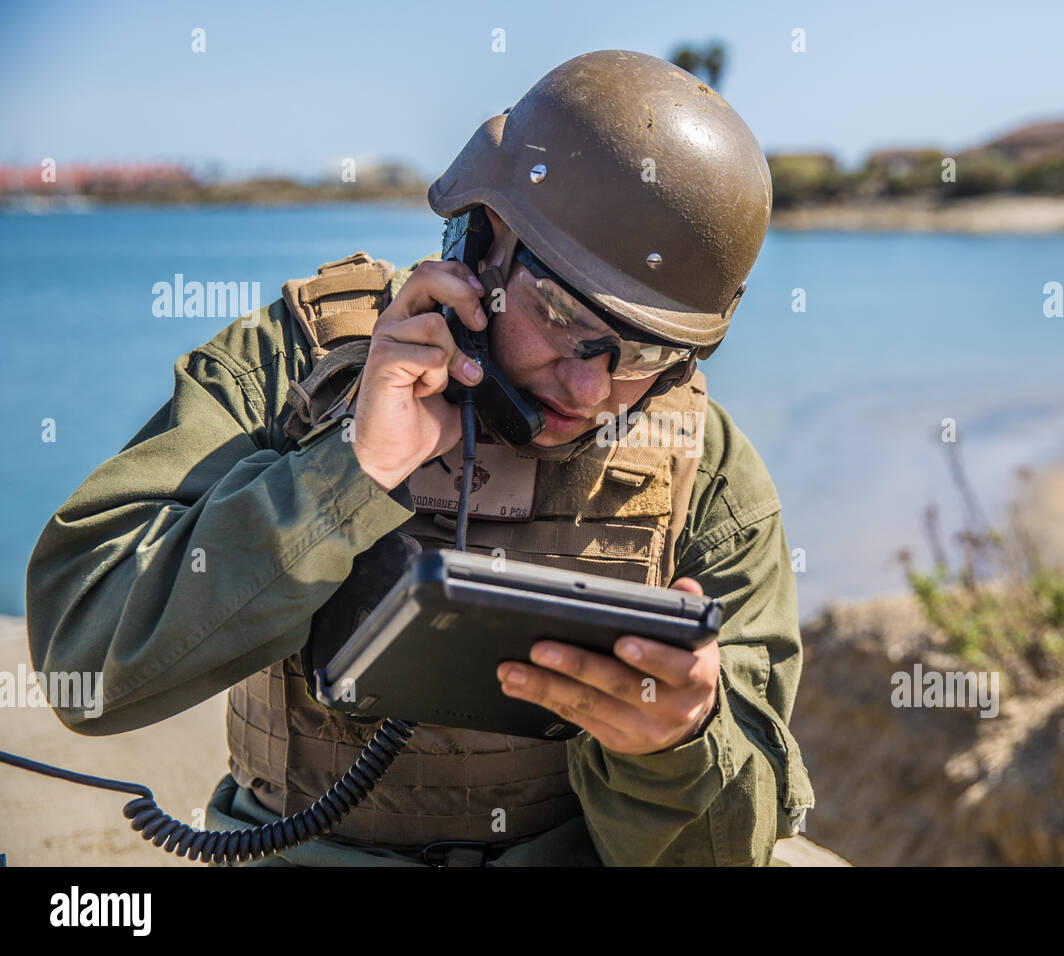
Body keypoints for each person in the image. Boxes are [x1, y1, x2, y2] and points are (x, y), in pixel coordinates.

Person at [25, 49, 814, 866]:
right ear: (477, 244)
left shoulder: (707, 470)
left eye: (642, 356)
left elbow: (727, 849)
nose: (587, 387)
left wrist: (677, 747)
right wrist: (343, 475)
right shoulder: (294, 366)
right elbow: (83, 663)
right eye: (555, 313)